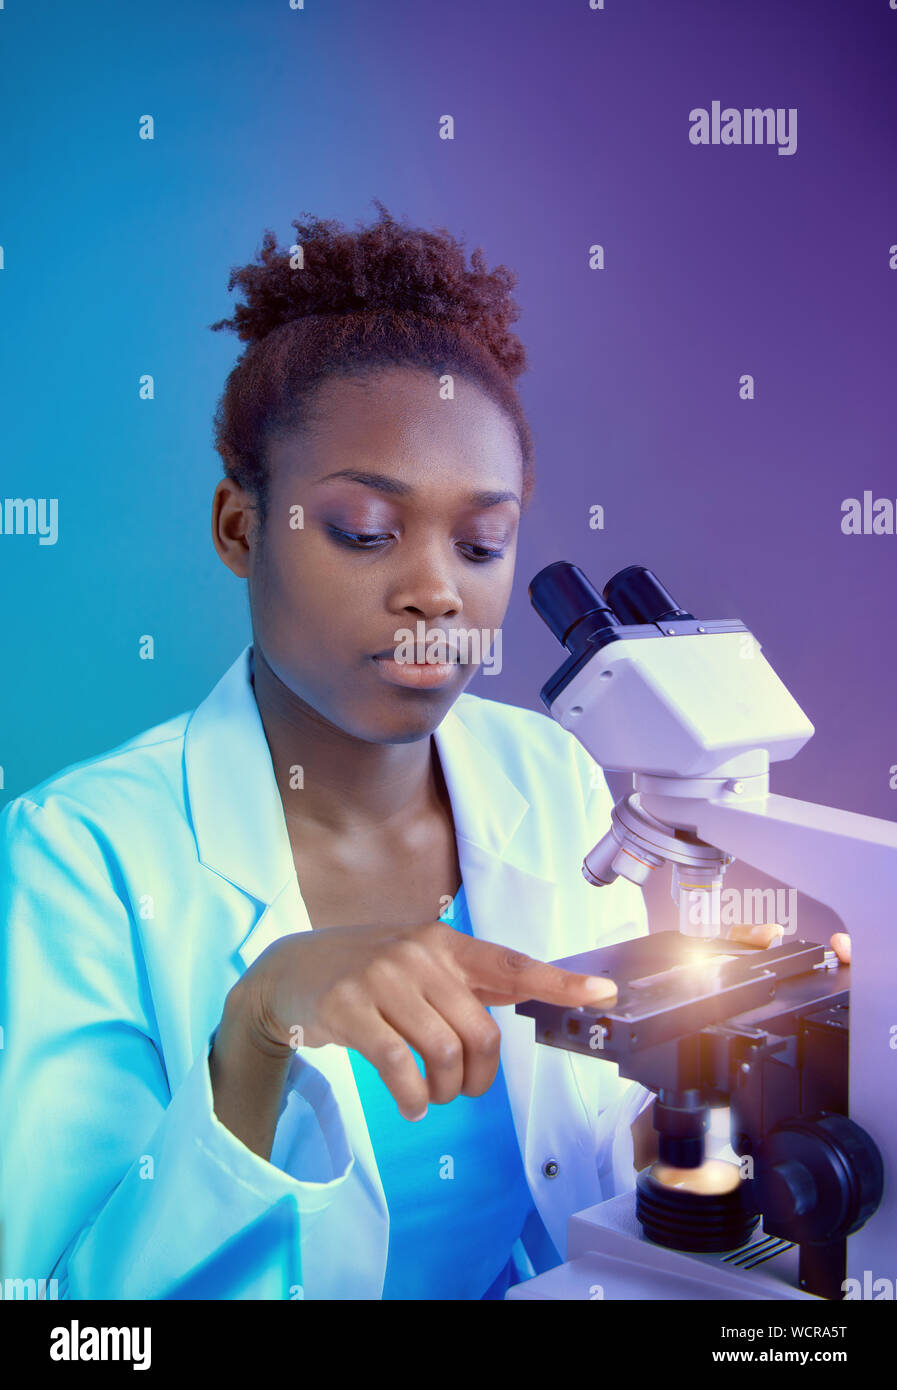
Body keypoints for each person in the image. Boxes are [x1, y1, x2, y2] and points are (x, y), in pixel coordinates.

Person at [0, 204, 849, 1300]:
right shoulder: (77, 858)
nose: (438, 590)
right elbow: (61, 1318)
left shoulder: (549, 774)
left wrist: (755, 1090)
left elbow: (601, 1164)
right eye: (364, 529)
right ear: (238, 528)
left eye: (484, 542)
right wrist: (258, 1029)